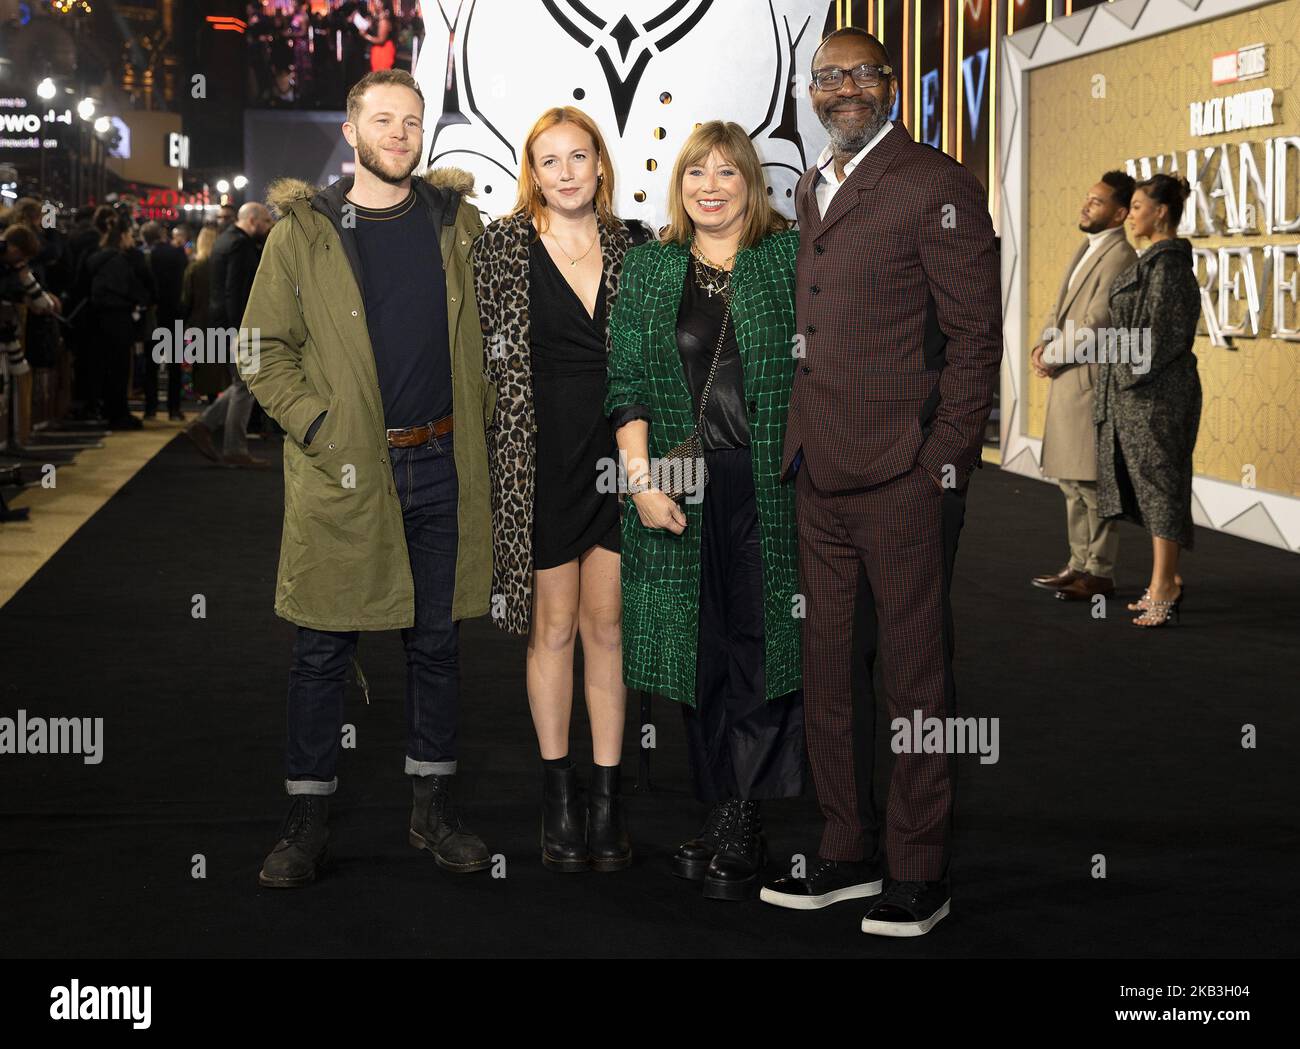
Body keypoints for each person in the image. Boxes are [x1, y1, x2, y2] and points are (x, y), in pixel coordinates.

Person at [760, 28, 1000, 936]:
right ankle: (847, 850)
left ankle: (918, 867)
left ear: (891, 84)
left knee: (913, 676)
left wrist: (943, 463)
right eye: (829, 77)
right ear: (811, 92)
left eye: (863, 74)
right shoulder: (816, 185)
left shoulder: (936, 183)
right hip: (818, 470)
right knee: (827, 671)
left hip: (905, 475)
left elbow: (976, 340)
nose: (845, 88)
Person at [240, 68, 494, 888]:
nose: (399, 133)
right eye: (382, 120)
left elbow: (499, 338)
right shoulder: (303, 232)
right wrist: (319, 424)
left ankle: (433, 812)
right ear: (350, 133)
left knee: (435, 646)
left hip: (440, 462)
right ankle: (306, 820)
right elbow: (258, 349)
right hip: (346, 470)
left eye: (412, 121)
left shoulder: (458, 224)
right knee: (320, 647)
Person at [606, 120, 805, 901]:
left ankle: (744, 818)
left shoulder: (784, 258)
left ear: (751, 183)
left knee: (759, 644)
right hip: (677, 488)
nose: (710, 186)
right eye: (696, 173)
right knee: (695, 649)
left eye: (727, 172)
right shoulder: (652, 269)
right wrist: (640, 481)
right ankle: (722, 800)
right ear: (678, 184)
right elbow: (623, 379)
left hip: (767, 485)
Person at [472, 106, 649, 874]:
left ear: (600, 165)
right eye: (551, 160)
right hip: (538, 462)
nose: (567, 172)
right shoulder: (502, 248)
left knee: (607, 626)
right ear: (532, 171)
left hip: (620, 454)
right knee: (553, 626)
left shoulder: (635, 246)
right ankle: (558, 794)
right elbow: (478, 358)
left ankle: (607, 798)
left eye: (580, 157)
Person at [1095, 174, 1202, 628]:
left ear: (1161, 212)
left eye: (1138, 206)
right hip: (1139, 396)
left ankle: (1163, 588)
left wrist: (1111, 357)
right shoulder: (1151, 263)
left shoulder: (1170, 266)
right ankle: (1167, 579)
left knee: (1162, 490)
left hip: (1158, 398)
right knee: (1154, 488)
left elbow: (1158, 339)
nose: (1131, 214)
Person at [1029, 172, 1137, 601]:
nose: (1086, 205)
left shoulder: (1120, 256)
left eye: (1097, 201)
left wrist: (1050, 356)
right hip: (1069, 376)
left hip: (1090, 381)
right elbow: (1060, 311)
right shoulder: (1087, 247)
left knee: (1093, 484)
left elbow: (1097, 324)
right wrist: (1043, 345)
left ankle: (1099, 571)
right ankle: (1077, 564)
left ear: (1121, 212)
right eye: (1087, 198)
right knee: (1070, 481)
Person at [183, 202, 272, 467]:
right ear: (253, 220)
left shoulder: (224, 241)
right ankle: (234, 448)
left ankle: (204, 426)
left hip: (224, 323)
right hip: (238, 326)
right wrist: (239, 331)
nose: (268, 227)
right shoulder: (240, 245)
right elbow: (237, 291)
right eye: (266, 221)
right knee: (246, 385)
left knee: (243, 384)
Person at [84, 213, 153, 431]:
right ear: (123, 236)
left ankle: (106, 408)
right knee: (120, 368)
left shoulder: (96, 258)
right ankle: (118, 413)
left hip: (98, 321)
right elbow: (134, 289)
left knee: (104, 367)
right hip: (119, 320)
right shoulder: (121, 261)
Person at [140, 221, 188, 420]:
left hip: (153, 313)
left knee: (150, 363)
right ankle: (174, 409)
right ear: (162, 234)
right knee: (174, 364)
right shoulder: (177, 254)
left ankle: (150, 409)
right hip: (174, 312)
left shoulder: (145, 257)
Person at [181, 226, 225, 403]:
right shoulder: (222, 266)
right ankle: (217, 400)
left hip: (198, 322)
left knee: (201, 364)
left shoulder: (194, 268)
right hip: (219, 322)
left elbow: (186, 298)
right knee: (217, 364)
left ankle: (204, 397)